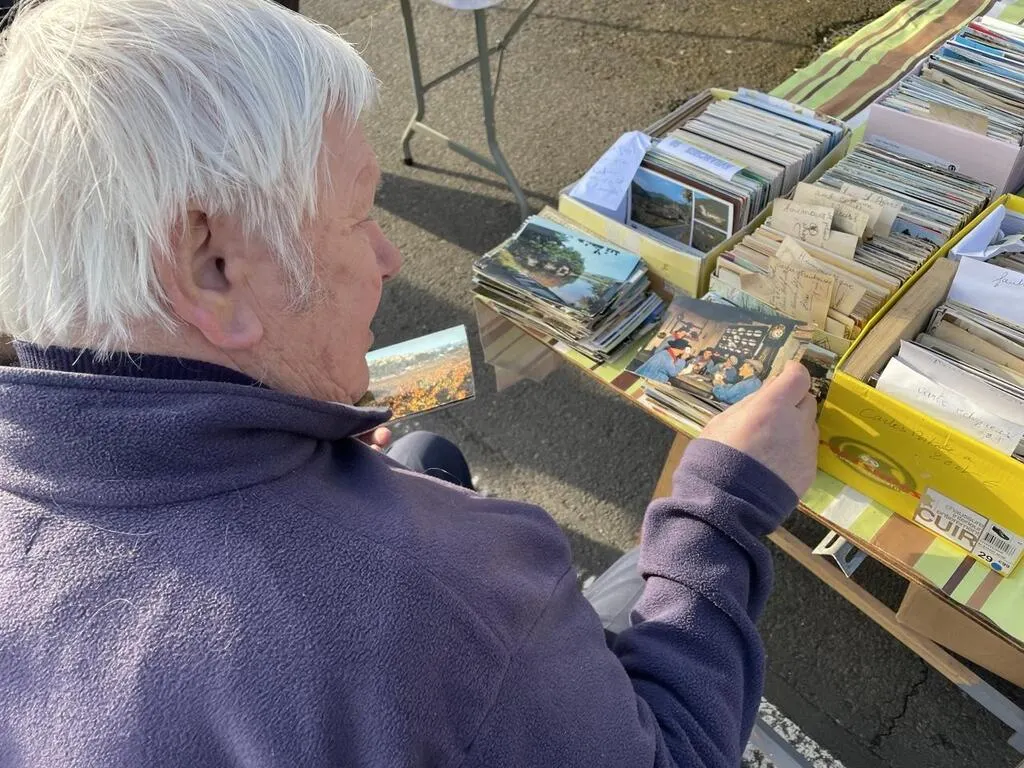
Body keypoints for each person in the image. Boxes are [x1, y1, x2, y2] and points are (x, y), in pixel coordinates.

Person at [0, 2, 819, 766]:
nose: (391, 260)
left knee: (425, 446)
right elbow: (671, 750)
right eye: (359, 216)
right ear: (211, 267)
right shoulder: (440, 600)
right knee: (656, 557)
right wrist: (723, 507)